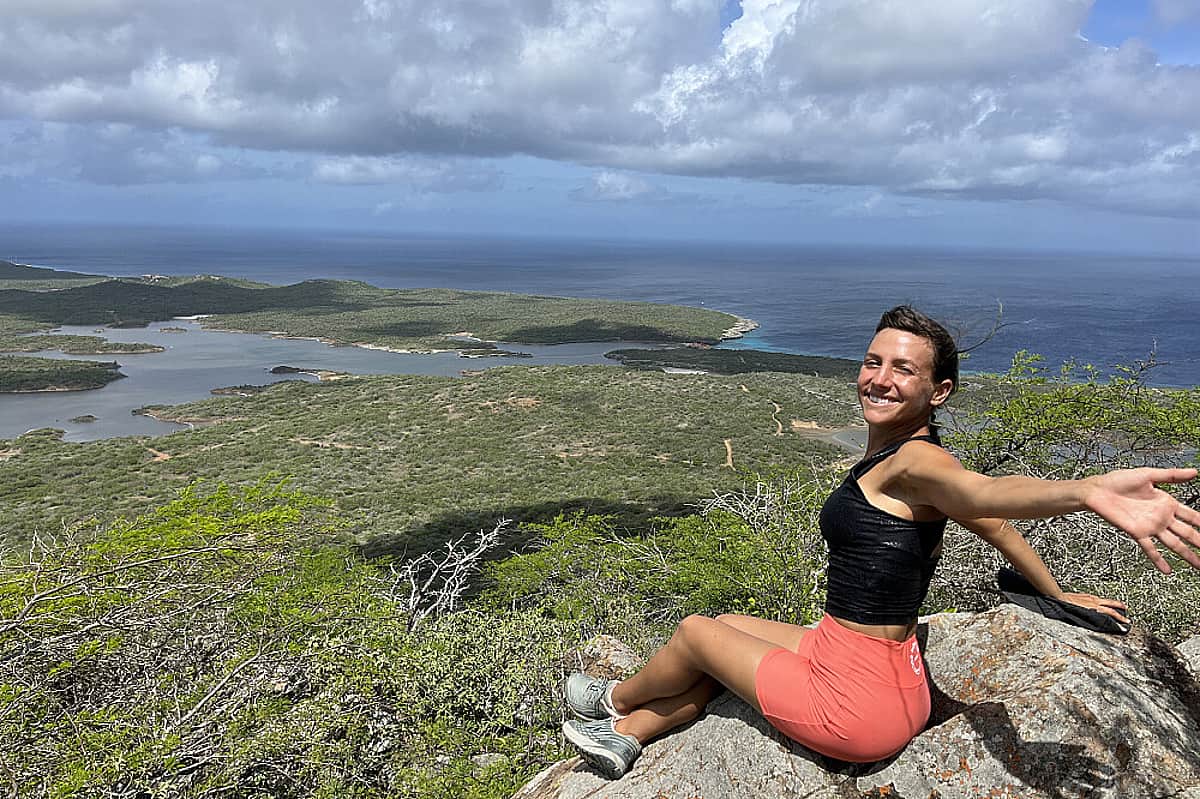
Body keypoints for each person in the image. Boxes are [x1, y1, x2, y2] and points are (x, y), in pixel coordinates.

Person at [560, 305, 1200, 779]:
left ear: (938, 391)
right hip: (874, 668)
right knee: (730, 630)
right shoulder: (905, 459)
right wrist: (1057, 593)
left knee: (699, 632)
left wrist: (1086, 490)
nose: (881, 378)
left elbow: (984, 498)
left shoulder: (916, 465)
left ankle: (608, 699)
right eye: (874, 362)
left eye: (904, 369)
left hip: (857, 705)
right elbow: (996, 528)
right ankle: (633, 732)